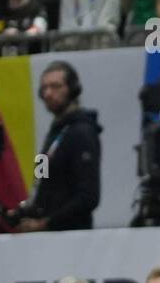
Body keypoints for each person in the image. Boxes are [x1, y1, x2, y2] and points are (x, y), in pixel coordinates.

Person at [11, 62, 100, 232]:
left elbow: (88, 197)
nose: (48, 93)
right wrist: (23, 211)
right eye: (44, 88)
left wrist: (44, 224)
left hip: (70, 236)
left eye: (55, 86)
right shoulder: (54, 133)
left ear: (73, 90)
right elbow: (40, 181)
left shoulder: (81, 132)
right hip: (49, 235)